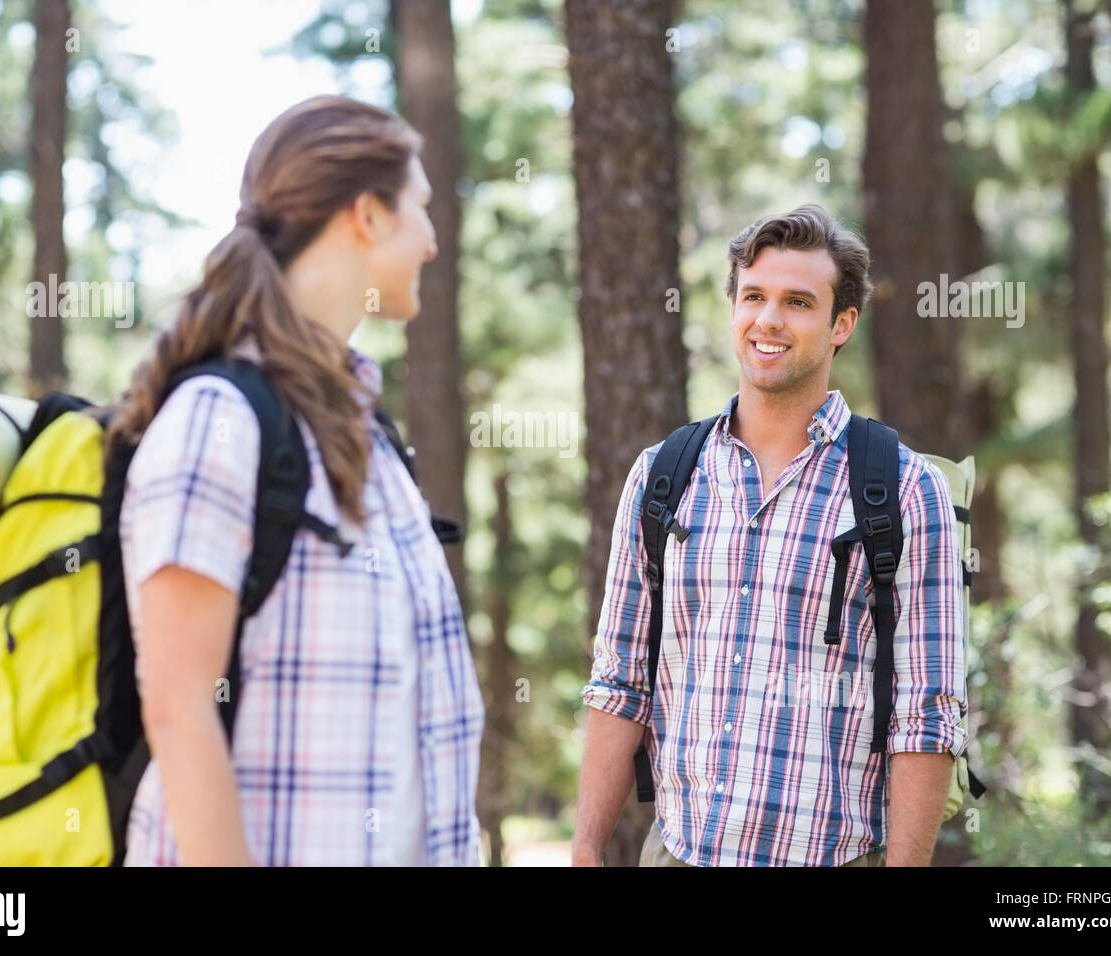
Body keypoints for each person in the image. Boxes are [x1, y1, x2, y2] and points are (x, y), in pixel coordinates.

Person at [107, 95, 484, 866]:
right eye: (420, 207)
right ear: (367, 217)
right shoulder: (219, 417)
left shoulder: (365, 433)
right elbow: (179, 708)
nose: (433, 240)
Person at [573, 204, 967, 867]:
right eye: (753, 296)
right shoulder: (663, 475)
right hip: (679, 852)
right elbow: (619, 684)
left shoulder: (903, 490)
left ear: (842, 324)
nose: (769, 320)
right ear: (732, 309)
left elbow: (926, 712)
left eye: (798, 302)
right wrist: (584, 851)